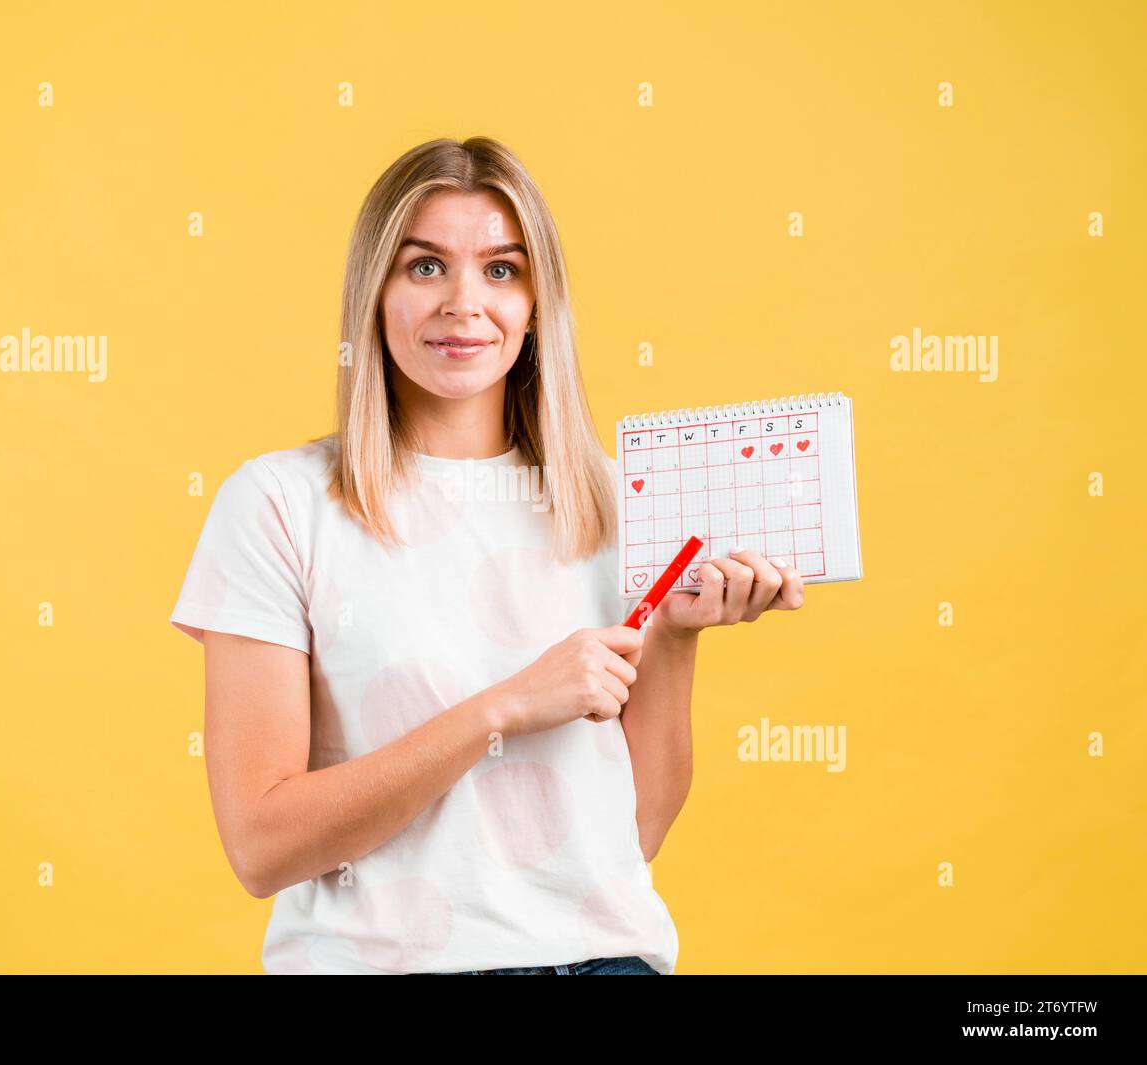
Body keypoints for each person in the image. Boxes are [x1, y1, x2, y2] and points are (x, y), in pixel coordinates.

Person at [169, 136, 805, 975]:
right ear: (375, 294)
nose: (464, 303)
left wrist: (678, 637)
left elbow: (634, 831)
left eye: (502, 270)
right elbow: (261, 843)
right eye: (424, 267)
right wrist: (501, 708)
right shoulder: (280, 504)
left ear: (538, 302)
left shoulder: (618, 502)